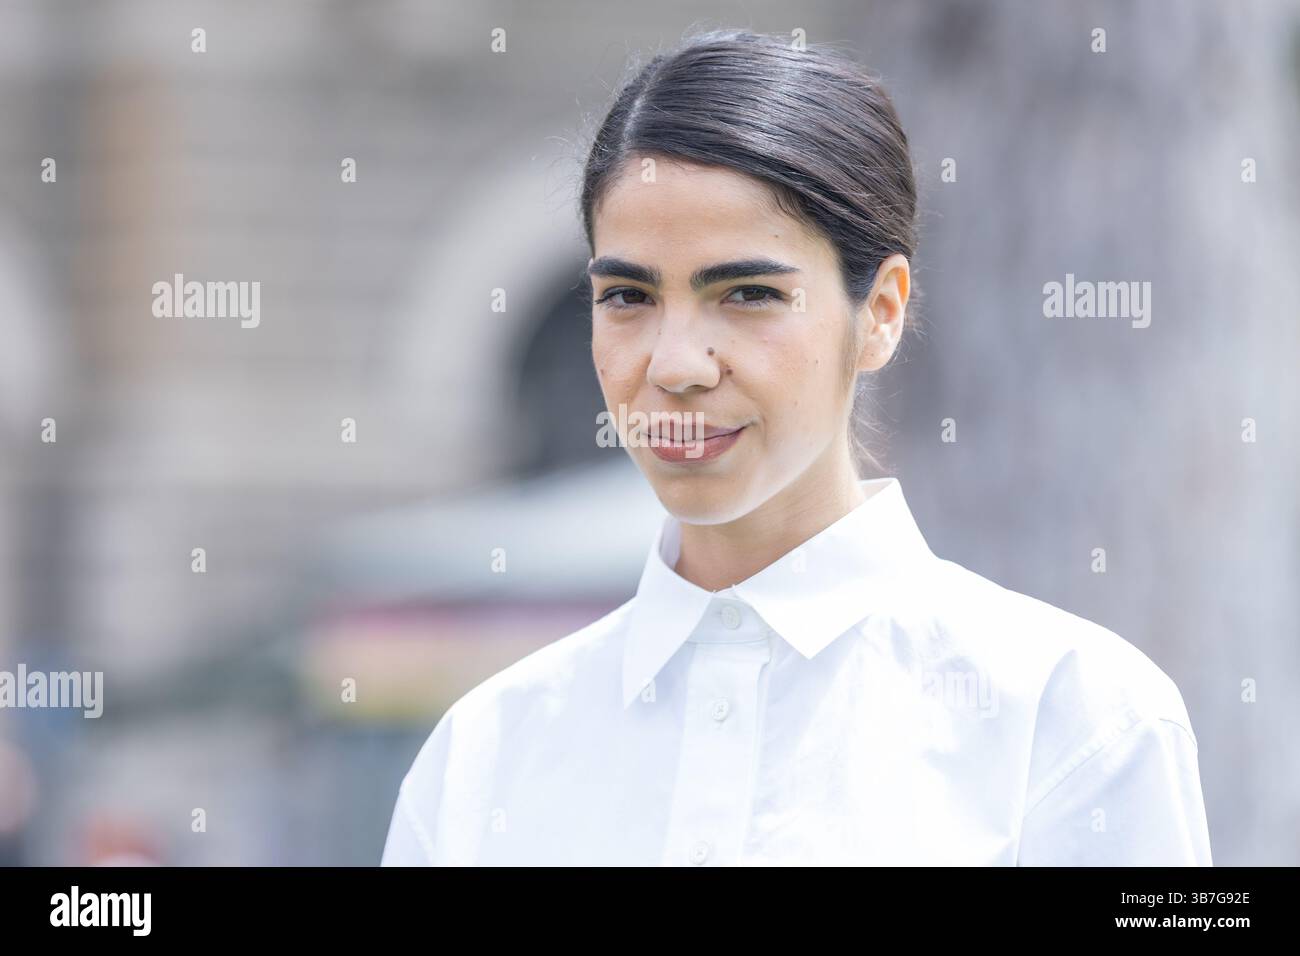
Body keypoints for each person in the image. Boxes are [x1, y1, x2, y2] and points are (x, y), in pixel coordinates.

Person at [380, 29, 1212, 866]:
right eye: (628, 295)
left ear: (881, 311)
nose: (675, 365)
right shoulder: (481, 760)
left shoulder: (1077, 722)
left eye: (746, 293)